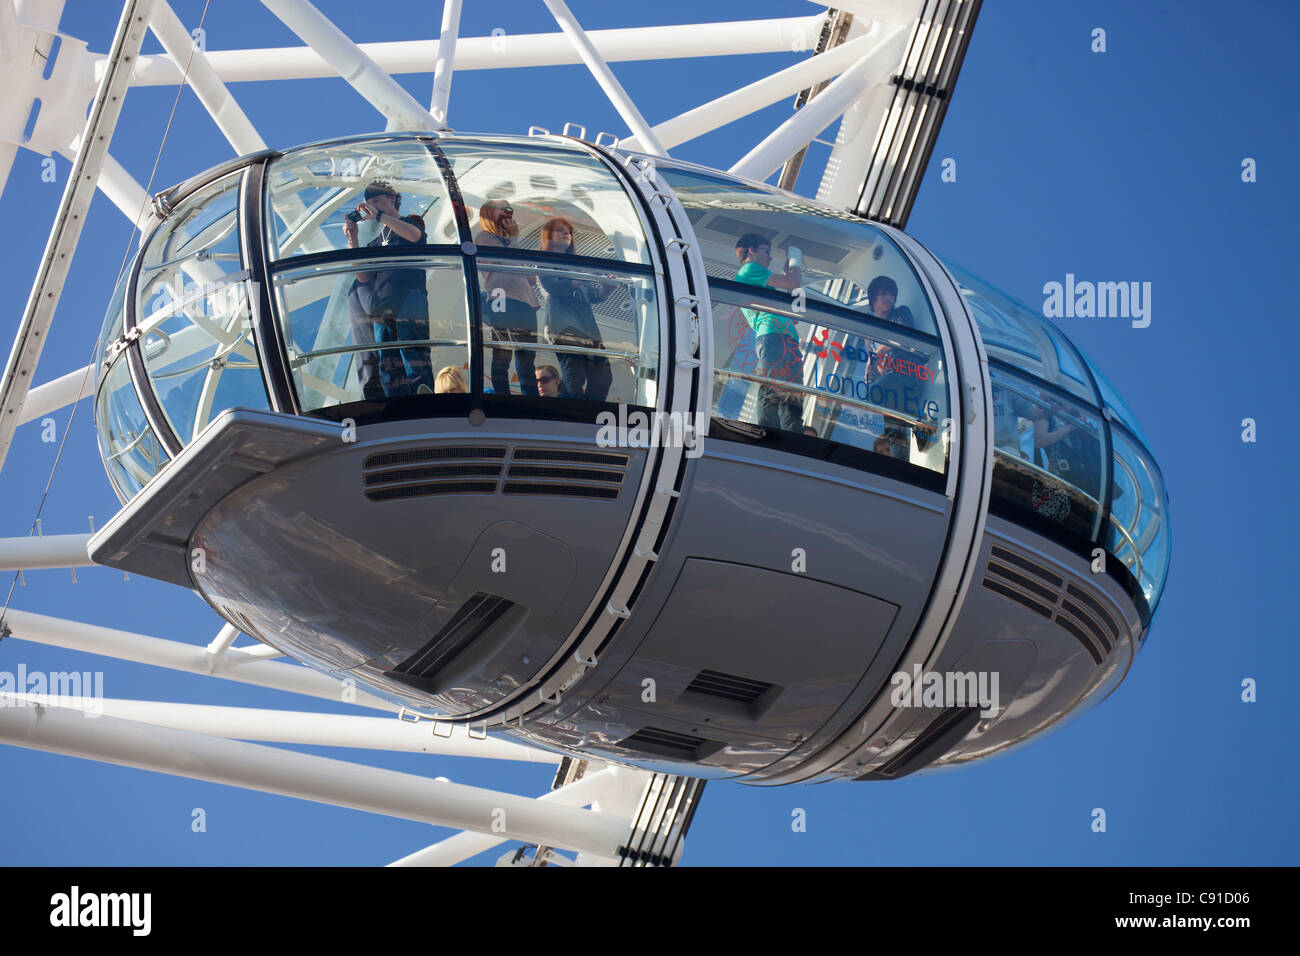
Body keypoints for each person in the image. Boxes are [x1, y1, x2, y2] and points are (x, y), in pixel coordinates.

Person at [344, 180, 435, 397]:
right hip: (383, 305)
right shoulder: (376, 243)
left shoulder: (409, 223)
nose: (373, 206)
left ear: (392, 198)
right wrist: (352, 238)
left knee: (412, 346)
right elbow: (363, 276)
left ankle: (423, 394)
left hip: (409, 295)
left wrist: (379, 216)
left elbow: (415, 236)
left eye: (377, 200)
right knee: (388, 360)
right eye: (370, 203)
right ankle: (397, 400)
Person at [734, 232, 804, 432]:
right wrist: (795, 258)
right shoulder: (749, 269)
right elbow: (794, 282)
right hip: (774, 337)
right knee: (775, 394)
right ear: (751, 250)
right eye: (766, 251)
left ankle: (790, 441)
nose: (770, 257)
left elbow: (792, 305)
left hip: (781, 337)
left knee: (792, 398)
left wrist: (788, 275)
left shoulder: (758, 278)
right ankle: (768, 441)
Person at [539, 216, 614, 401]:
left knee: (604, 376)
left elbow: (592, 296)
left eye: (569, 230)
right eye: (560, 229)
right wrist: (585, 275)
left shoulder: (578, 264)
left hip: (587, 326)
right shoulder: (544, 260)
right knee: (575, 374)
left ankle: (588, 410)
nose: (567, 233)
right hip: (563, 324)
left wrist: (606, 289)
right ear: (548, 236)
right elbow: (552, 287)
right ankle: (577, 410)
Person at [475, 199, 540, 396]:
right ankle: (502, 394)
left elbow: (531, 279)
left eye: (510, 209)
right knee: (502, 350)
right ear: (489, 213)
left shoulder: (510, 241)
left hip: (525, 301)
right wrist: (514, 240)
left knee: (526, 354)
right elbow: (495, 265)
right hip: (500, 296)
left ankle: (530, 396)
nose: (509, 213)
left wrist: (513, 242)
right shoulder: (484, 237)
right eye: (504, 209)